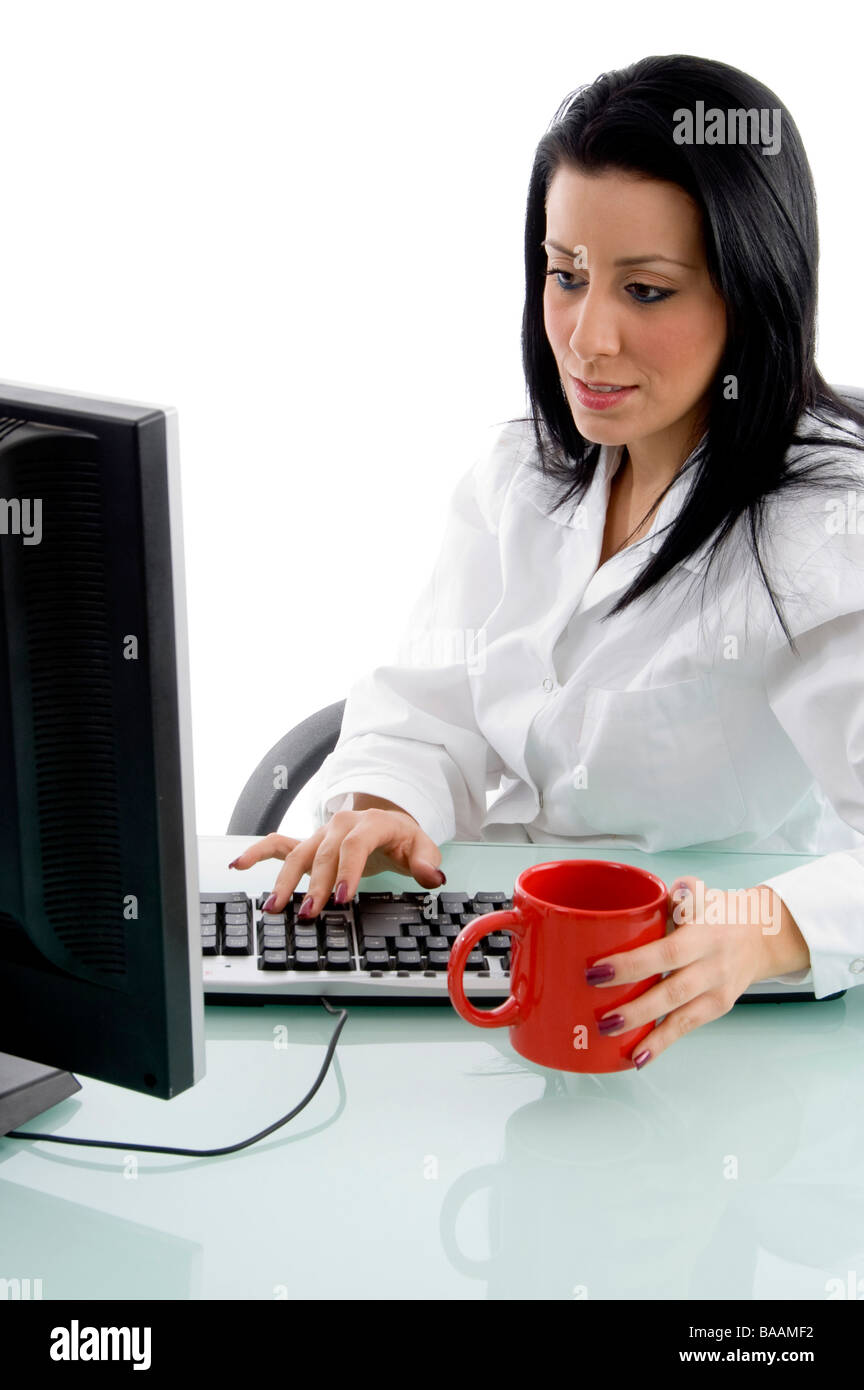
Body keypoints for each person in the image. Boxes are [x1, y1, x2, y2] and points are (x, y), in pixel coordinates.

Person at [231, 54, 864, 1069]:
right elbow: (429, 709)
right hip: (502, 974)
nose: (586, 337)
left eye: (646, 290)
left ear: (755, 293)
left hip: (704, 1017)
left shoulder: (829, 525)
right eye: (565, 275)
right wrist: (388, 801)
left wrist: (770, 925)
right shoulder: (522, 472)